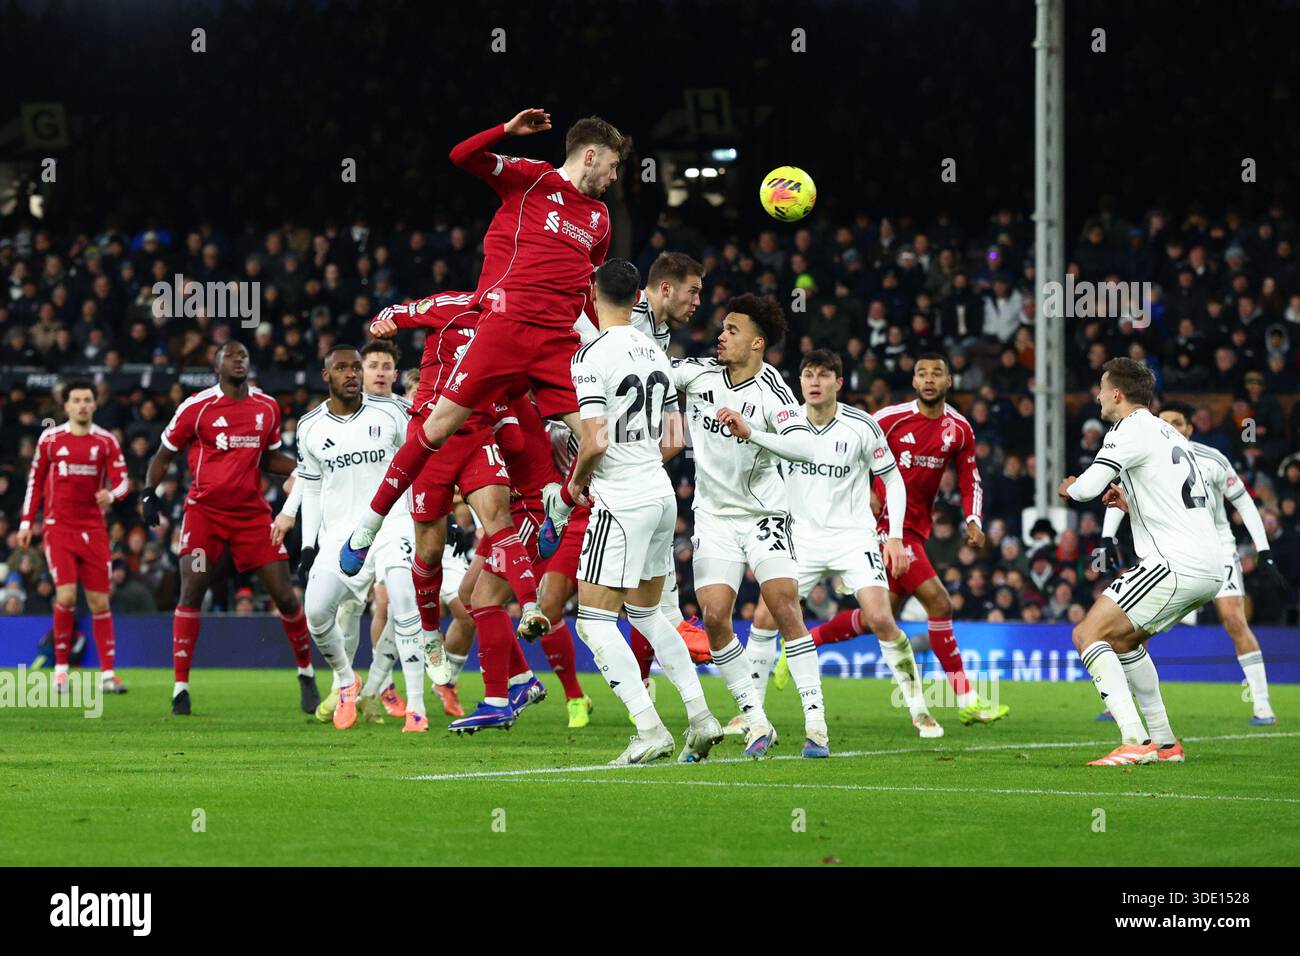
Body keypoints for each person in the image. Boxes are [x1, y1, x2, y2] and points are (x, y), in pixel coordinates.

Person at [341, 109, 629, 571]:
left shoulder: (599, 218)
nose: (615, 177)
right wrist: (506, 132)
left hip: (557, 344)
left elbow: (587, 289)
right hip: (503, 331)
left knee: (596, 441)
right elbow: (462, 157)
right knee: (436, 428)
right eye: (612, 166)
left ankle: (561, 501)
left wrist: (606, 343)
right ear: (590, 156)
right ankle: (369, 523)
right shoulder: (530, 180)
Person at [559, 258, 722, 764]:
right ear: (638, 297)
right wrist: (641, 463)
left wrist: (574, 487)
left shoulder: (589, 356)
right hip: (659, 492)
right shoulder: (653, 350)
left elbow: (593, 441)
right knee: (650, 615)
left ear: (592, 293)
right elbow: (675, 437)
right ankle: (701, 715)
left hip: (622, 498)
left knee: (593, 621)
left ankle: (649, 729)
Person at [736, 350, 942, 738]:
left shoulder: (861, 426)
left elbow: (893, 480)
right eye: (808, 375)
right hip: (800, 538)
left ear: (839, 383)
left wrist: (894, 536)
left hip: (853, 536)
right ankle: (751, 713)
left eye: (824, 375)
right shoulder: (785, 421)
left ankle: (918, 708)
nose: (814, 382)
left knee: (881, 618)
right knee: (764, 618)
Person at [793, 354, 1008, 725]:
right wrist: (866, 492)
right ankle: (968, 698)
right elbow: (852, 450)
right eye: (922, 373)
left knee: (880, 617)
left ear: (949, 382)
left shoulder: (959, 429)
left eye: (937, 374)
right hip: (886, 529)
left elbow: (970, 476)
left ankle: (805, 643)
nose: (928, 379)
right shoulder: (888, 419)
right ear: (913, 381)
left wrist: (973, 519)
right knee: (939, 604)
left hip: (916, 531)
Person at [670, 294, 830, 759]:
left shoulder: (774, 391)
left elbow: (805, 448)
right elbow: (653, 367)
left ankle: (816, 724)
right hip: (714, 518)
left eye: (733, 330)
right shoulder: (698, 375)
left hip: (764, 517)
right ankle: (756, 720)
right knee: (716, 617)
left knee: (783, 607)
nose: (721, 335)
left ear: (757, 343)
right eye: (722, 328)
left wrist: (751, 432)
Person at [141, 341, 319, 716]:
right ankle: (180, 688)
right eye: (231, 355)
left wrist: (305, 468)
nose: (239, 360)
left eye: (244, 355)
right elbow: (164, 452)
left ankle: (305, 673)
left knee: (285, 597)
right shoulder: (197, 406)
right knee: (193, 587)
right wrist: (148, 493)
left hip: (252, 517)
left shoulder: (266, 407)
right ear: (216, 364)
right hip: (204, 514)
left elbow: (268, 457)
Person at [1062, 358, 1224, 766]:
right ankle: (1166, 744)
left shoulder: (1127, 429)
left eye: (1101, 388)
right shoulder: (1169, 432)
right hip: (1208, 565)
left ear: (1117, 393)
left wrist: (1071, 488)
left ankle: (1134, 740)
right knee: (1124, 640)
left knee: (1088, 633)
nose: (1097, 396)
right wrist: (1131, 503)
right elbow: (1176, 501)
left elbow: (1088, 489)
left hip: (1175, 563)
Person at [1100, 400, 1288, 726]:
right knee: (1137, 627)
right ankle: (1122, 699)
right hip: (1170, 550)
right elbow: (1121, 495)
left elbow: (1243, 502)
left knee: (1233, 618)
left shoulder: (1212, 459)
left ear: (1190, 428)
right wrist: (1106, 538)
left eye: (1177, 423)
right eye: (1165, 421)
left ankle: (1262, 706)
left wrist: (1263, 548)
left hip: (1217, 549)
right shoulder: (1145, 457)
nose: (1170, 427)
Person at [284, 345, 429, 731]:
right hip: (340, 535)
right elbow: (311, 488)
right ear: (326, 376)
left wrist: (426, 516)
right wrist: (308, 546)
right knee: (316, 613)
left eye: (354, 367)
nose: (351, 374)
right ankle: (348, 681)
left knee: (401, 597)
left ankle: (416, 707)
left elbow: (417, 466)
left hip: (392, 524)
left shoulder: (393, 412)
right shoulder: (309, 426)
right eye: (342, 368)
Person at [18, 379, 130, 694]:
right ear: (66, 405)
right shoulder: (51, 439)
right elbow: (35, 483)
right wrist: (27, 522)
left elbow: (123, 481)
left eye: (87, 400)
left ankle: (108, 674)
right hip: (59, 528)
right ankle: (62, 672)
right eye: (76, 400)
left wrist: (112, 494)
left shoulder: (106, 441)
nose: (82, 405)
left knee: (99, 601)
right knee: (66, 596)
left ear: (95, 404)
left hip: (93, 529)